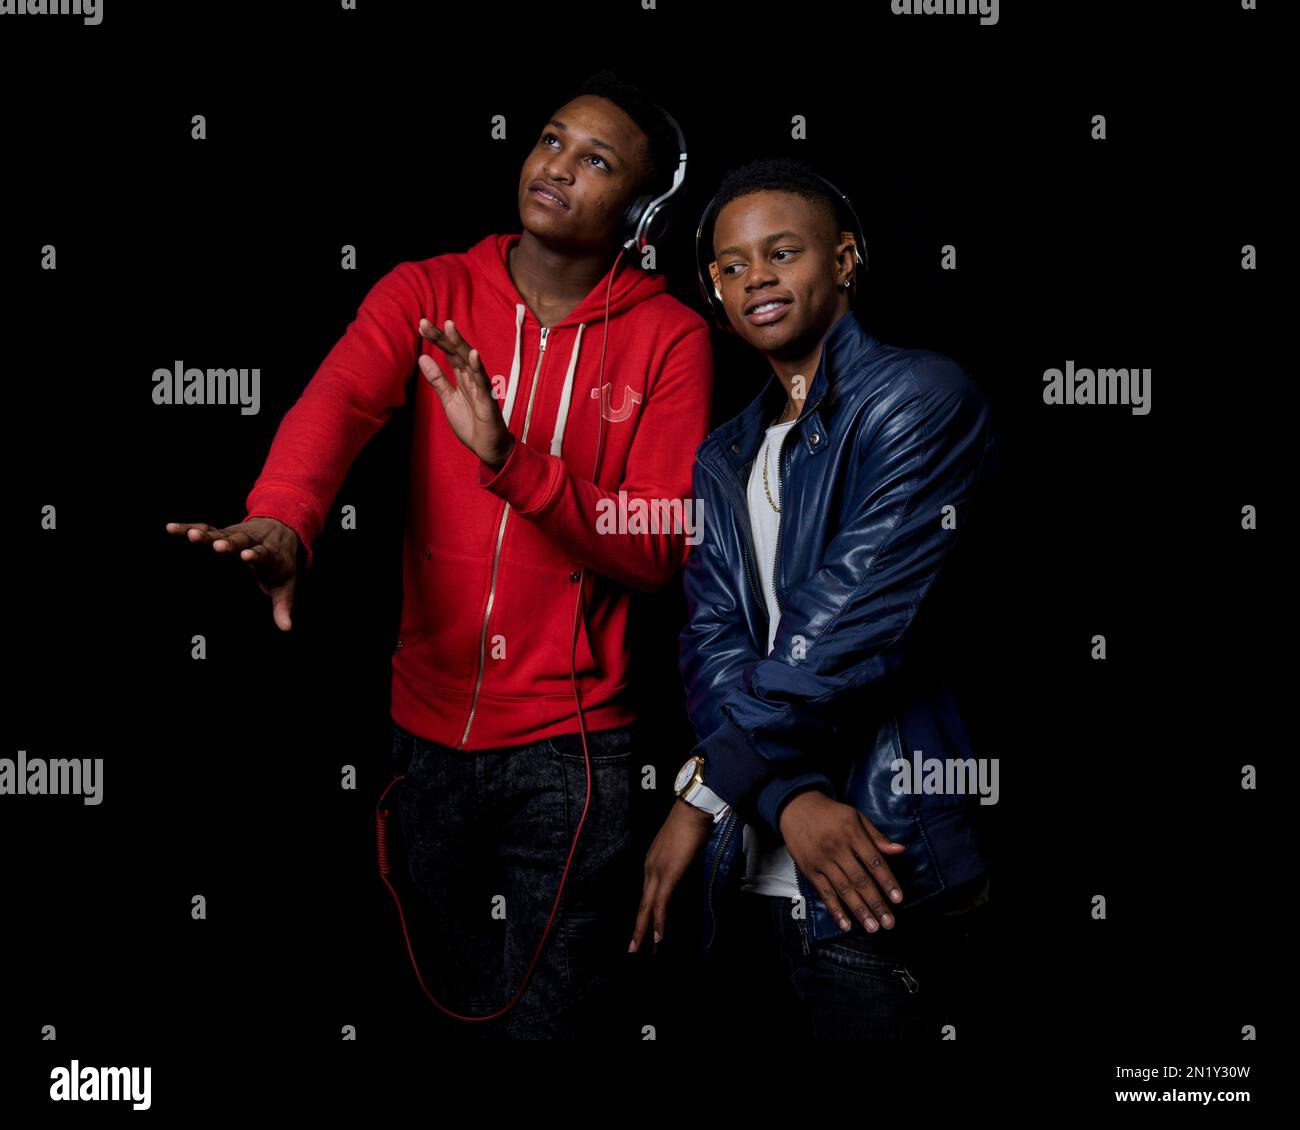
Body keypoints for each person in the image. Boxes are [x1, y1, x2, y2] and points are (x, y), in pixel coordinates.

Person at [164, 70, 712, 1039]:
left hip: (572, 750)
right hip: (425, 733)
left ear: (641, 208)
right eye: (550, 138)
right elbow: (338, 401)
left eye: (596, 161)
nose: (556, 167)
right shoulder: (429, 288)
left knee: (545, 1025)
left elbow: (661, 540)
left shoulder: (672, 338)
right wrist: (286, 514)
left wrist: (512, 463)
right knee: (443, 1013)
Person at [631, 157, 999, 1041]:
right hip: (753, 867)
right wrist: (782, 797)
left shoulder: (919, 398)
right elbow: (712, 639)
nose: (754, 277)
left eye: (781, 251)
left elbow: (845, 628)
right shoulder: (725, 453)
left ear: (843, 260)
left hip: (880, 862)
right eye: (729, 265)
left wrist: (699, 793)